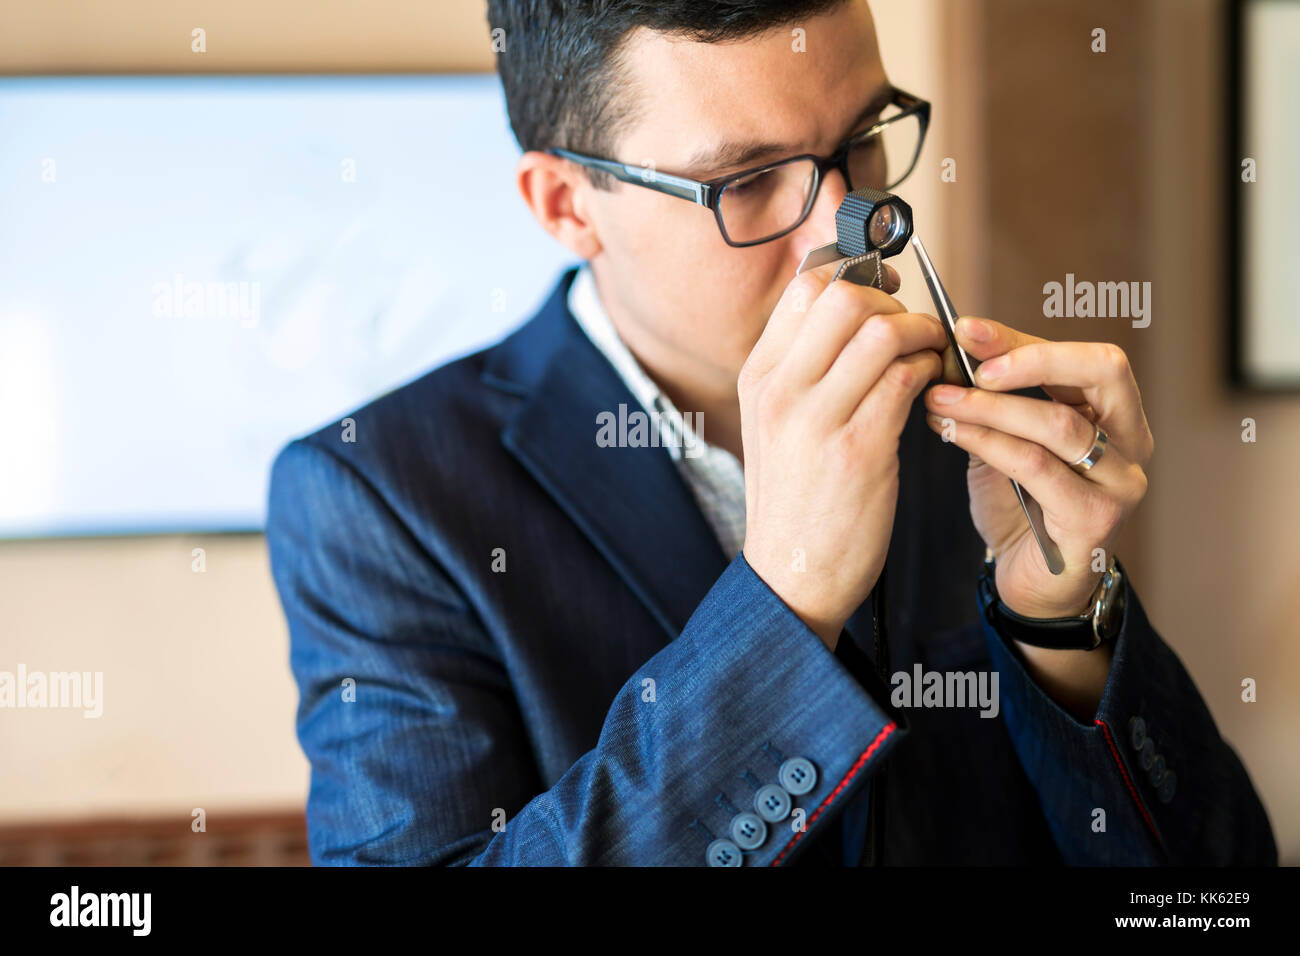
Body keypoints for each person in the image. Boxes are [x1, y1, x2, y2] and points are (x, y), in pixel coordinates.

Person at [265, 0, 1276, 866]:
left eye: (862, 143)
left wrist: (1057, 622)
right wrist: (784, 600)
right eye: (747, 179)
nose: (852, 226)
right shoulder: (377, 493)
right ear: (566, 204)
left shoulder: (967, 424)